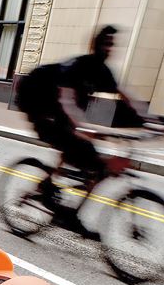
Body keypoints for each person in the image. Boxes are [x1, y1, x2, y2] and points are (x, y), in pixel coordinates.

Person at [14, 25, 144, 239]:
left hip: (59, 113)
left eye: (112, 44)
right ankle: (62, 210)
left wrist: (153, 122)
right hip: (38, 104)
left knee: (92, 163)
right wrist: (83, 127)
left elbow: (126, 95)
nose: (109, 48)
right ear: (94, 44)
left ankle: (61, 202)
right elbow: (67, 102)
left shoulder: (102, 71)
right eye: (105, 43)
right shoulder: (77, 66)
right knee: (78, 147)